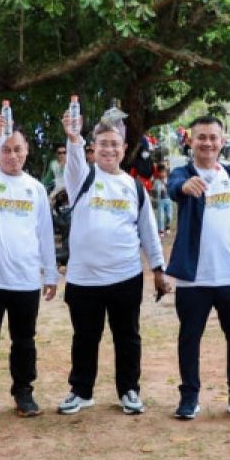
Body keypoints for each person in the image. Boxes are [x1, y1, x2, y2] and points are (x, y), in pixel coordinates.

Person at [56, 113, 169, 416]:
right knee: (85, 337)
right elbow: (76, 159)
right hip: (84, 279)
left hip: (125, 276)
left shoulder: (134, 187)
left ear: (125, 148)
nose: (108, 150)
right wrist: (73, 137)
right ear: (93, 148)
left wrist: (159, 270)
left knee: (127, 336)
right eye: (102, 144)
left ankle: (129, 390)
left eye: (114, 144)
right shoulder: (81, 177)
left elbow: (148, 231)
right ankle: (81, 391)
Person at [166, 115, 230, 421]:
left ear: (223, 142)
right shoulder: (181, 174)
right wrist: (185, 186)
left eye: (213, 137)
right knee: (189, 337)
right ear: (190, 141)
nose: (208, 143)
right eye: (201, 137)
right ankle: (189, 397)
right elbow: (174, 188)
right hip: (193, 277)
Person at [0, 115, 58, 421]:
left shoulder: (35, 189)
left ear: (27, 150)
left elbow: (44, 232)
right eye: (6, 150)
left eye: (17, 149)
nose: (12, 155)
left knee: (24, 341)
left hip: (25, 279)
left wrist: (50, 273)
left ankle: (23, 392)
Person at [151, 163, 173, 236]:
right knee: (160, 216)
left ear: (166, 172)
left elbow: (171, 188)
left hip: (168, 200)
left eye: (164, 172)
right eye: (161, 172)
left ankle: (168, 226)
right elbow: (153, 192)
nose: (162, 174)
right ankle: (161, 230)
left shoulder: (169, 180)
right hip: (160, 201)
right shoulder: (156, 181)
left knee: (169, 215)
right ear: (158, 173)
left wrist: (165, 184)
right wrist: (154, 202)